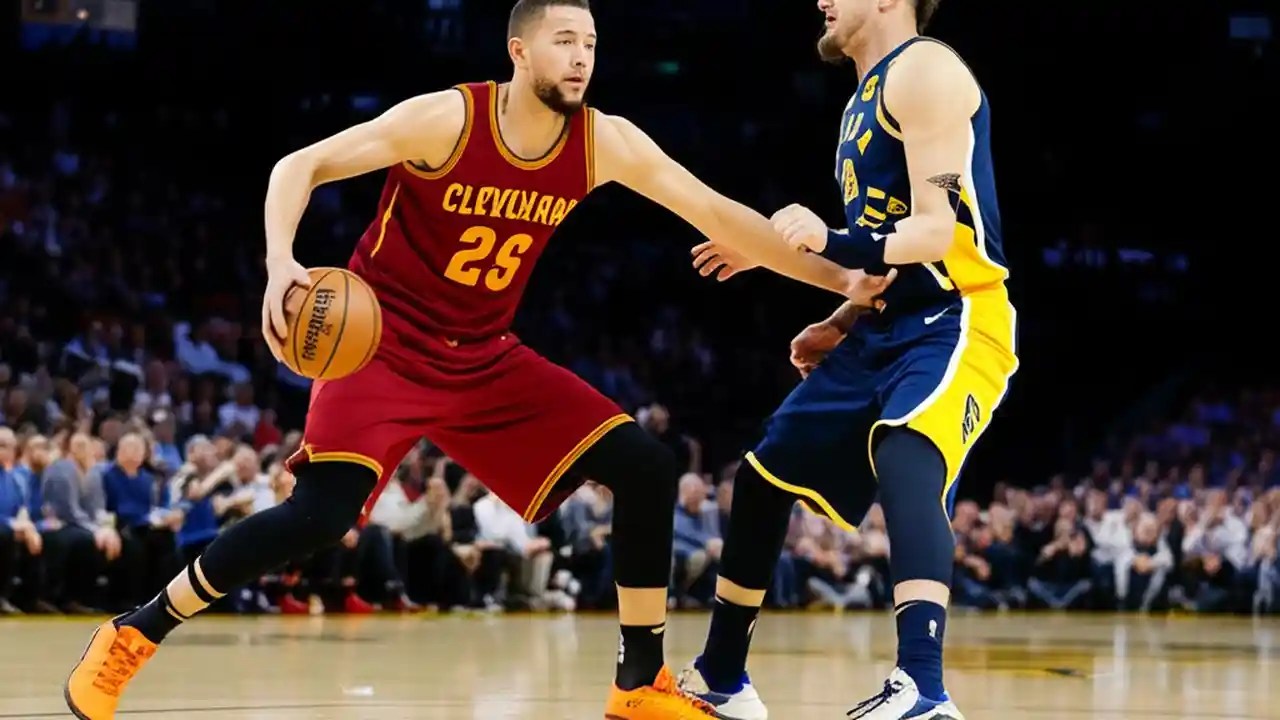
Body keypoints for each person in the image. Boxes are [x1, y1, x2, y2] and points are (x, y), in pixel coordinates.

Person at [63, 1, 889, 718]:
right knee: (319, 517)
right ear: (519, 51)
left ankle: (639, 684)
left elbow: (720, 214)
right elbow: (298, 165)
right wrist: (282, 264)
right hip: (380, 347)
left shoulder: (603, 142)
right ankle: (134, 632)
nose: (582, 58)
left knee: (647, 465)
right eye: (565, 41)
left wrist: (848, 280)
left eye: (591, 44)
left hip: (485, 358)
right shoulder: (448, 120)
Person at [677, 0, 1018, 718]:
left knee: (906, 450)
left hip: (957, 314)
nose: (822, 0)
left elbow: (934, 233)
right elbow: (877, 267)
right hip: (884, 327)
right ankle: (722, 679)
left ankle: (923, 689)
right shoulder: (862, 100)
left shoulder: (926, 69)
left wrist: (824, 239)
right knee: (763, 477)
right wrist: (840, 316)